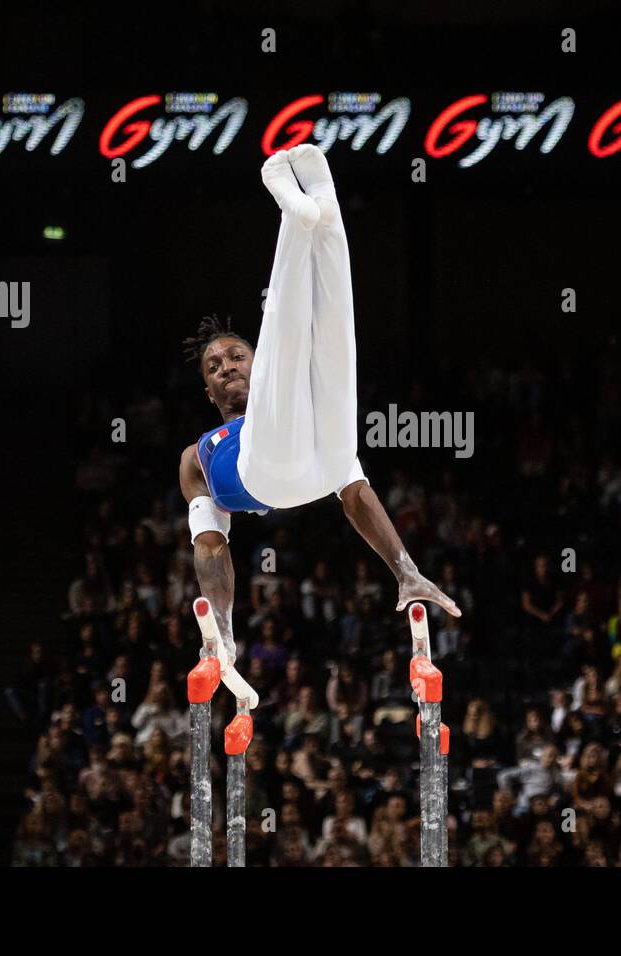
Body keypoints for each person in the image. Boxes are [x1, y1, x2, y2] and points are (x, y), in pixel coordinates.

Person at [177, 147, 460, 697]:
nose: (228, 366)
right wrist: (225, 629)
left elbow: (354, 493)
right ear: (207, 389)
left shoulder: (278, 387)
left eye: (235, 355)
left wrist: (404, 569)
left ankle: (321, 214)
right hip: (261, 471)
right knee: (291, 340)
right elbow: (212, 546)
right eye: (215, 366)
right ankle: (294, 216)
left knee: (334, 341)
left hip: (321, 461)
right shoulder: (198, 455)